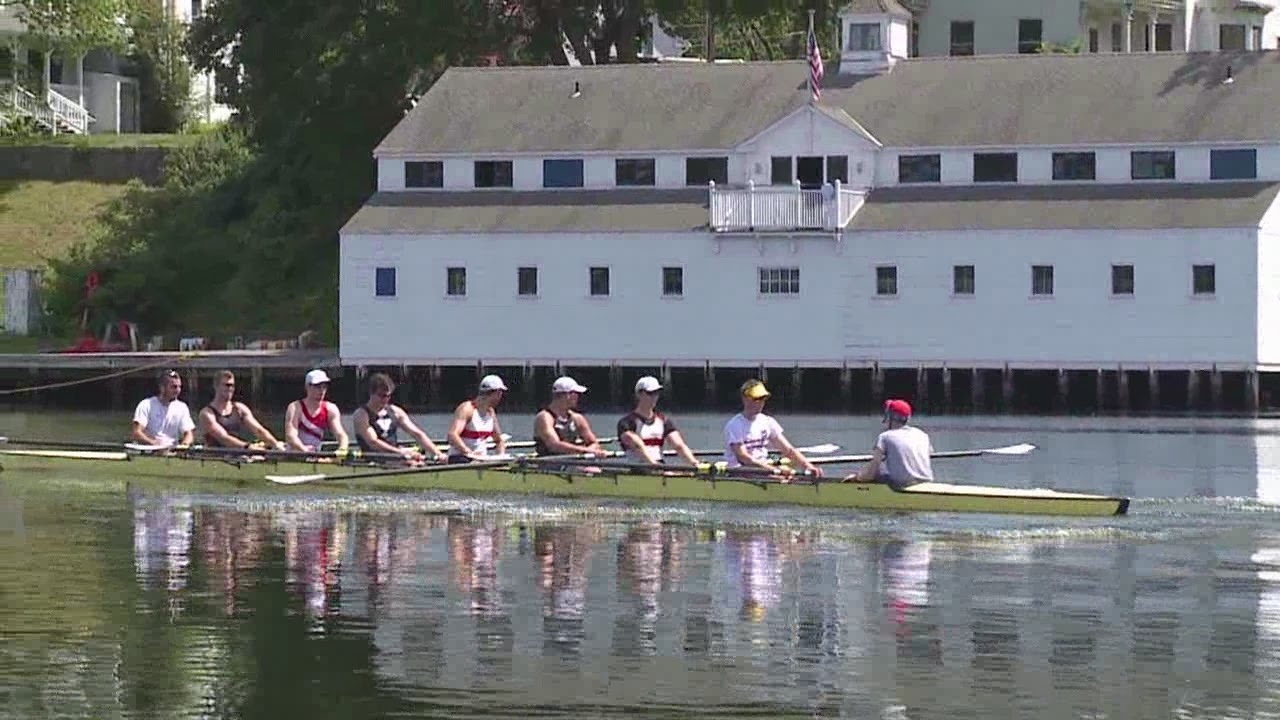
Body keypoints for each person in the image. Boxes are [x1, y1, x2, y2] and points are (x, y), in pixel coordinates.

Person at [723, 379, 822, 481]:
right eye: (756, 399)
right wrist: (774, 470)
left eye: (763, 398)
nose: (760, 403)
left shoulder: (767, 421)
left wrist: (807, 465)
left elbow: (788, 450)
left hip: (762, 469)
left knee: (790, 476)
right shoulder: (734, 425)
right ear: (745, 398)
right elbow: (744, 458)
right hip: (740, 471)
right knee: (783, 477)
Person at [352, 372, 448, 462]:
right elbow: (373, 442)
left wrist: (438, 454)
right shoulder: (361, 415)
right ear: (371, 393)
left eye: (388, 396)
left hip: (395, 456)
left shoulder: (395, 411)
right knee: (413, 463)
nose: (385, 399)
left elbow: (417, 434)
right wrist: (400, 453)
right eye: (381, 396)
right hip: (374, 458)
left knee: (419, 462)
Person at [845, 399, 934, 489]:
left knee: (875, 471)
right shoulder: (923, 435)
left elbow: (873, 468)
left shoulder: (885, 436)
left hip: (902, 484)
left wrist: (857, 477)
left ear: (891, 417)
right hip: (927, 481)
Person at [616, 375, 699, 465]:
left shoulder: (663, 421)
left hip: (660, 466)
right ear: (639, 394)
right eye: (650, 393)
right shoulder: (626, 423)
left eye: (657, 393)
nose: (654, 397)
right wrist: (655, 466)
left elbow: (679, 446)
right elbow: (637, 446)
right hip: (639, 467)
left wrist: (695, 464)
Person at [198, 370, 287, 450]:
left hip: (238, 451)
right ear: (216, 386)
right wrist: (248, 447)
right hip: (218, 454)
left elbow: (259, 430)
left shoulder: (240, 408)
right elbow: (224, 438)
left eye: (232, 386)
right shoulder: (206, 414)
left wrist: (275, 445)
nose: (230, 389)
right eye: (227, 385)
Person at [533, 375, 608, 457]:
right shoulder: (545, 418)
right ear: (567, 395)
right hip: (550, 461)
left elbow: (593, 442)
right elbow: (554, 445)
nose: (578, 397)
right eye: (576, 393)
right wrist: (587, 451)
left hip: (572, 460)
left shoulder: (577, 418)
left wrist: (592, 450)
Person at [283, 369, 349, 453]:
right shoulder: (295, 407)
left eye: (324, 386)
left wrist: (343, 448)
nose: (322, 390)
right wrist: (305, 451)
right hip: (296, 455)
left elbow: (340, 434)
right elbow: (291, 436)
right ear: (307, 387)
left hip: (315, 455)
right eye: (317, 386)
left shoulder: (331, 409)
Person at [447, 374, 509, 463]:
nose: (501, 397)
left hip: (480, 460)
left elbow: (499, 441)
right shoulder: (467, 409)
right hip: (460, 458)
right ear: (497, 393)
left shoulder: (491, 412)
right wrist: (469, 452)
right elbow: (452, 435)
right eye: (500, 393)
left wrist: (500, 458)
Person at [131, 369, 196, 447]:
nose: (178, 390)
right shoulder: (146, 405)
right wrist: (153, 443)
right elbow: (137, 432)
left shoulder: (182, 407)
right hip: (151, 448)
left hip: (173, 449)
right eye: (174, 387)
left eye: (179, 387)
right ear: (162, 388)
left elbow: (189, 434)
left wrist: (183, 446)